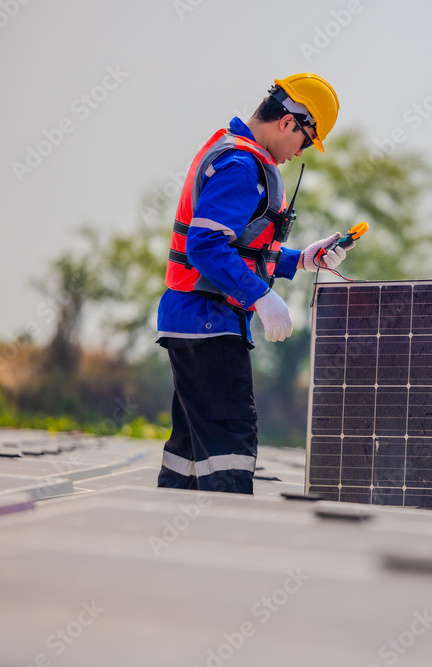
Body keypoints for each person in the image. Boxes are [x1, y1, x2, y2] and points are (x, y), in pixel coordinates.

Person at [155, 73, 353, 494]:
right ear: (288, 122)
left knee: (193, 450)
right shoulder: (243, 167)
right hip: (209, 321)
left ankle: (176, 533)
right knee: (230, 445)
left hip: (192, 319)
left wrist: (303, 259)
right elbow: (206, 247)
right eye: (305, 142)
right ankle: (223, 536)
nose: (299, 154)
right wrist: (262, 296)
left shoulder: (231, 153)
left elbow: (239, 248)